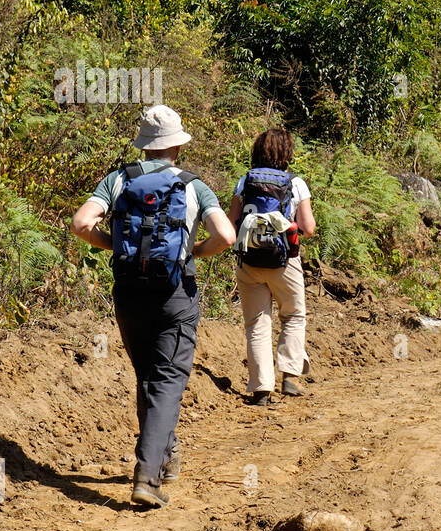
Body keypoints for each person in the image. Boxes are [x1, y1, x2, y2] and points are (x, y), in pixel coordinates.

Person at [69, 105, 235, 508]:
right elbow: (227, 236)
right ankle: (147, 476)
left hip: (129, 293)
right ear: (177, 145)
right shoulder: (194, 186)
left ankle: (164, 455)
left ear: (145, 146)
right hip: (175, 295)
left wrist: (114, 247)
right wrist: (194, 251)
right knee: (166, 383)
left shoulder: (118, 179)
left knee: (148, 378)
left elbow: (80, 224)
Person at [227, 128, 318, 406]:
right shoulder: (296, 183)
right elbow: (308, 227)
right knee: (292, 315)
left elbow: (231, 222)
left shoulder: (245, 181)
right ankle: (289, 377)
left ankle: (261, 390)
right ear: (286, 153)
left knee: (256, 323)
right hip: (284, 262)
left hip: (249, 261)